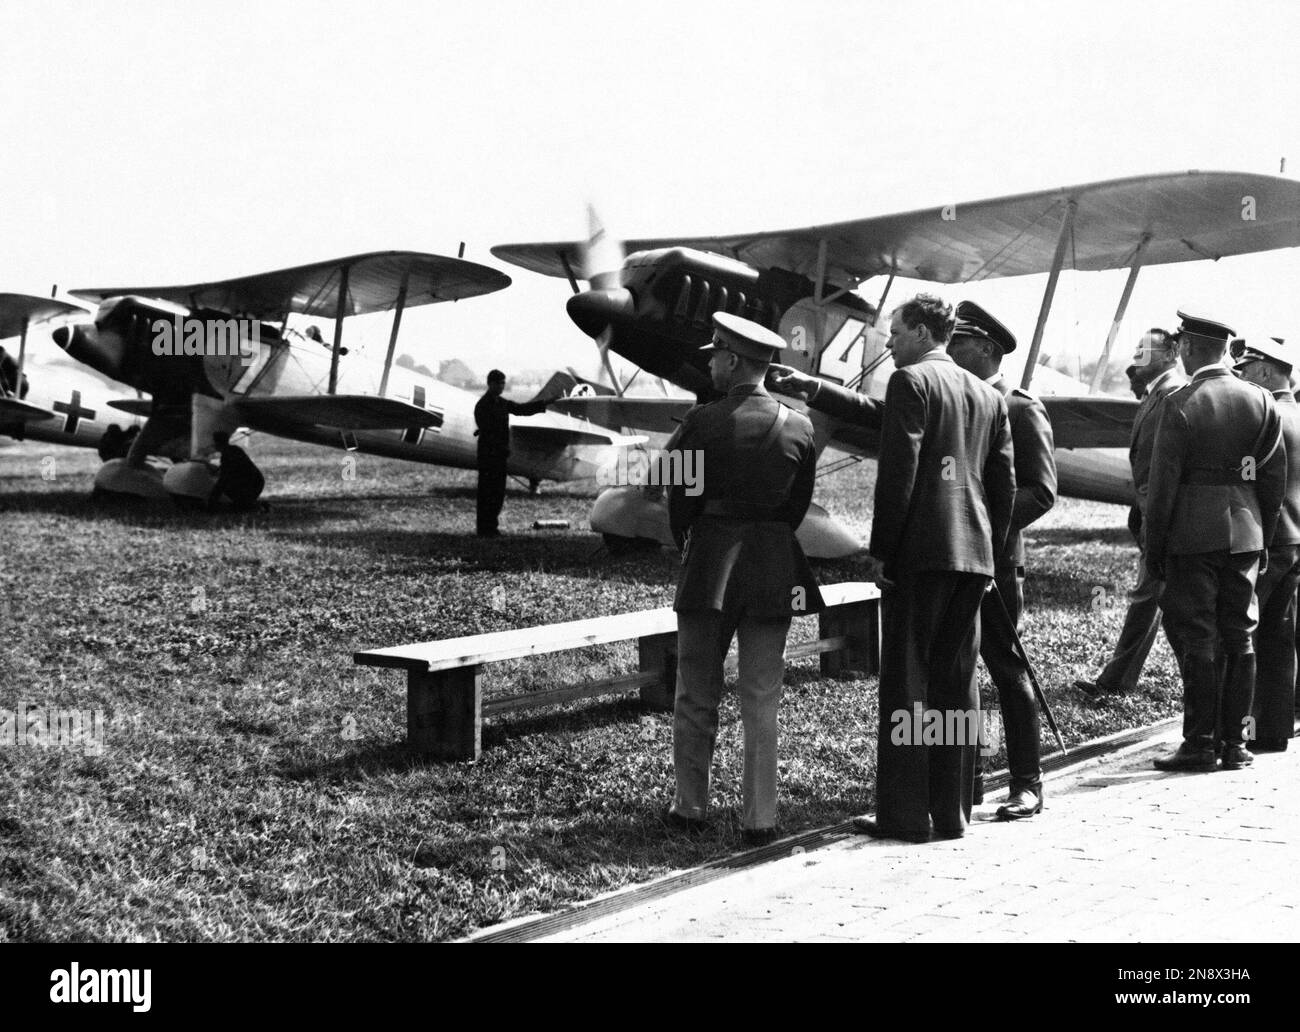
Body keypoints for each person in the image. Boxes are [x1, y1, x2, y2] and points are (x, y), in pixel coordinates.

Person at [771, 294, 1015, 842]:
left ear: (925, 333)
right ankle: (951, 813)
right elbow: (1005, 488)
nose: (888, 343)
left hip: (922, 556)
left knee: (908, 683)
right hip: (973, 559)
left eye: (896, 332)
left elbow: (899, 471)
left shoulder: (911, 384)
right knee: (955, 683)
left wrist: (883, 549)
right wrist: (990, 556)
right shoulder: (988, 396)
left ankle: (905, 817)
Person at [664, 313, 822, 847]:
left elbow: (676, 496)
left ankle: (690, 807)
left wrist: (693, 537)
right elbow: (797, 507)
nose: (709, 362)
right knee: (762, 696)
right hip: (774, 571)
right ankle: (760, 818)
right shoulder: (801, 426)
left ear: (732, 359)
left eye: (715, 354)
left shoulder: (700, 420)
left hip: (710, 566)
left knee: (695, 691)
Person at [1145, 311, 1286, 772]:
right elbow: (1271, 478)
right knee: (1241, 635)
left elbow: (1163, 486)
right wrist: (1261, 535)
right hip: (1246, 534)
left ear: (1187, 348)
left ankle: (1200, 744)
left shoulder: (1181, 402)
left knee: (1200, 637)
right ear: (1224, 348)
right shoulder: (1261, 400)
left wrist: (1154, 547)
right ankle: (1236, 743)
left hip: (1193, 534)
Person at [945, 301, 1055, 820]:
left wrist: (986, 530)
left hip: (994, 563)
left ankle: (1027, 784)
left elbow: (1041, 491)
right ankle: (964, 783)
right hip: (953, 560)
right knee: (957, 672)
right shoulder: (957, 400)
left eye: (958, 342)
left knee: (1006, 667)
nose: (948, 349)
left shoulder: (1019, 406)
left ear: (985, 348)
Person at [1075, 330, 1187, 697]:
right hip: (1153, 517)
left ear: (1170, 353)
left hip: (1166, 522)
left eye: (1144, 349)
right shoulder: (1156, 391)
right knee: (1156, 603)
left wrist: (1153, 519)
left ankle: (1211, 693)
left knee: (1166, 607)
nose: (1136, 354)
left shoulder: (1172, 393)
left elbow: (1165, 467)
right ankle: (1119, 680)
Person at [1233, 336, 1300, 752]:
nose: (1241, 377)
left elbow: (1250, 479)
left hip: (1269, 540)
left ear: (1264, 370)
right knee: (1280, 635)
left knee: (1242, 634)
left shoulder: (1267, 414)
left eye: (1245, 369)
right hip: (1296, 540)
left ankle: (1239, 730)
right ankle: (1273, 730)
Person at [473, 369, 547, 536]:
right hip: (488, 456)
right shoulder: (482, 405)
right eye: (498, 383)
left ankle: (491, 527)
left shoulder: (501, 403)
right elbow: (488, 430)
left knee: (497, 493)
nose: (501, 386)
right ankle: (484, 528)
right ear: (490, 384)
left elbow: (521, 409)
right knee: (486, 493)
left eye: (503, 383)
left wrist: (543, 404)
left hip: (499, 456)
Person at [207, 430, 266, 511]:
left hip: (252, 485)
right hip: (255, 482)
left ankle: (258, 506)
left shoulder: (227, 455)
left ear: (217, 443)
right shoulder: (234, 450)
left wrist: (211, 500)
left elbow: (223, 480)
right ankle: (251, 504)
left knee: (237, 507)